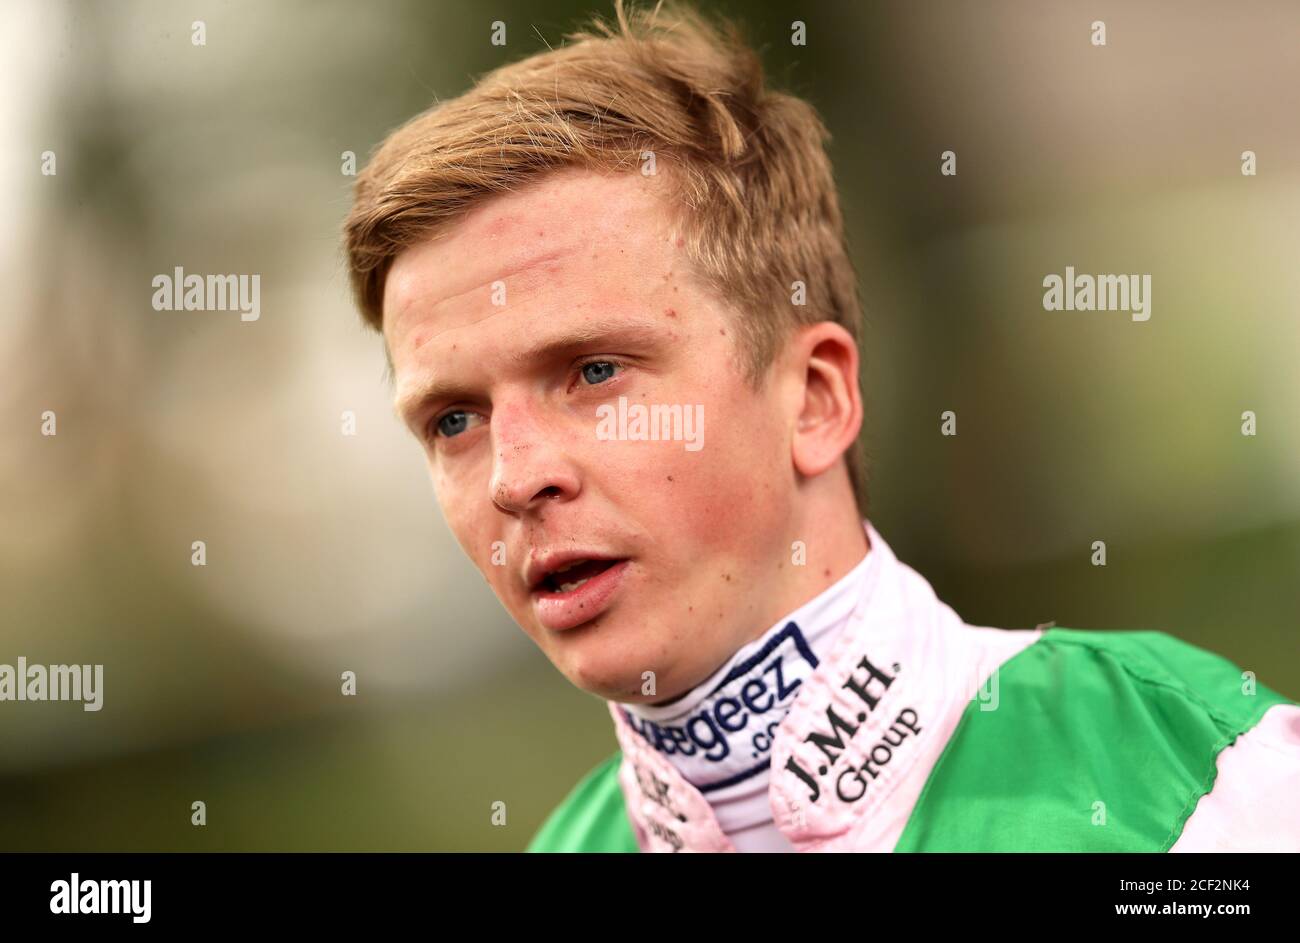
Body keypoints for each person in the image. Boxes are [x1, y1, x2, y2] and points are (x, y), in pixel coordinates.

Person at [342, 1, 1299, 852]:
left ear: (815, 397)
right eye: (454, 418)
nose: (515, 476)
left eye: (594, 372)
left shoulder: (1190, 779)